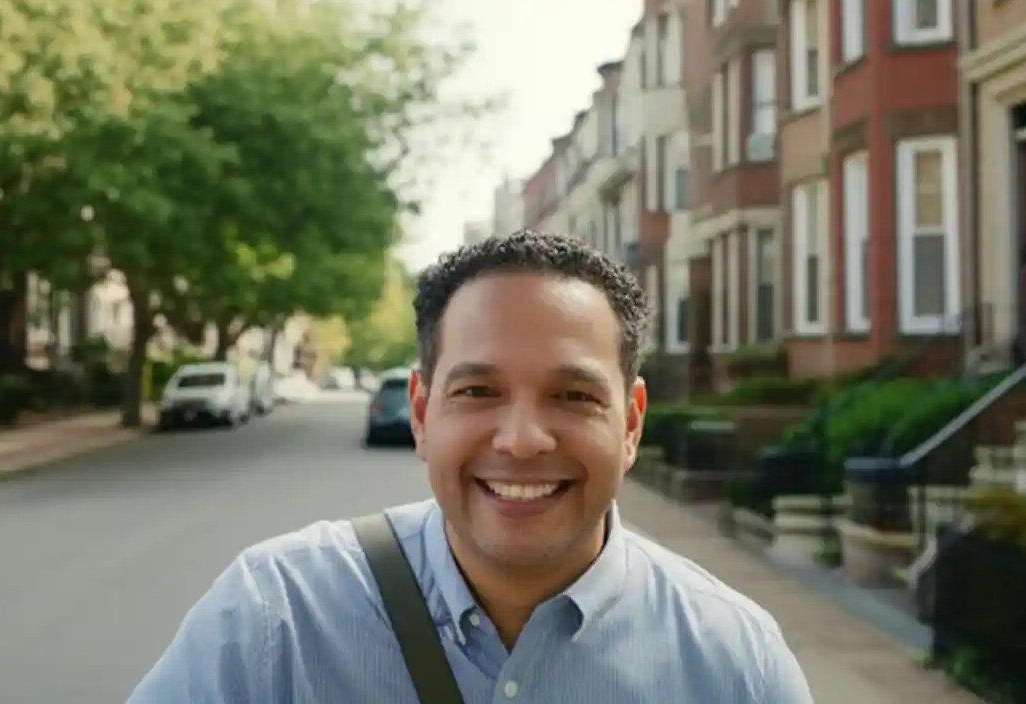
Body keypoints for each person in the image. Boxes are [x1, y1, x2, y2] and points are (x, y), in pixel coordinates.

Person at [128, 230, 814, 703]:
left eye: (572, 396)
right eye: (478, 392)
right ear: (422, 413)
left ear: (631, 422)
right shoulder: (276, 619)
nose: (520, 439)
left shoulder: (734, 666)